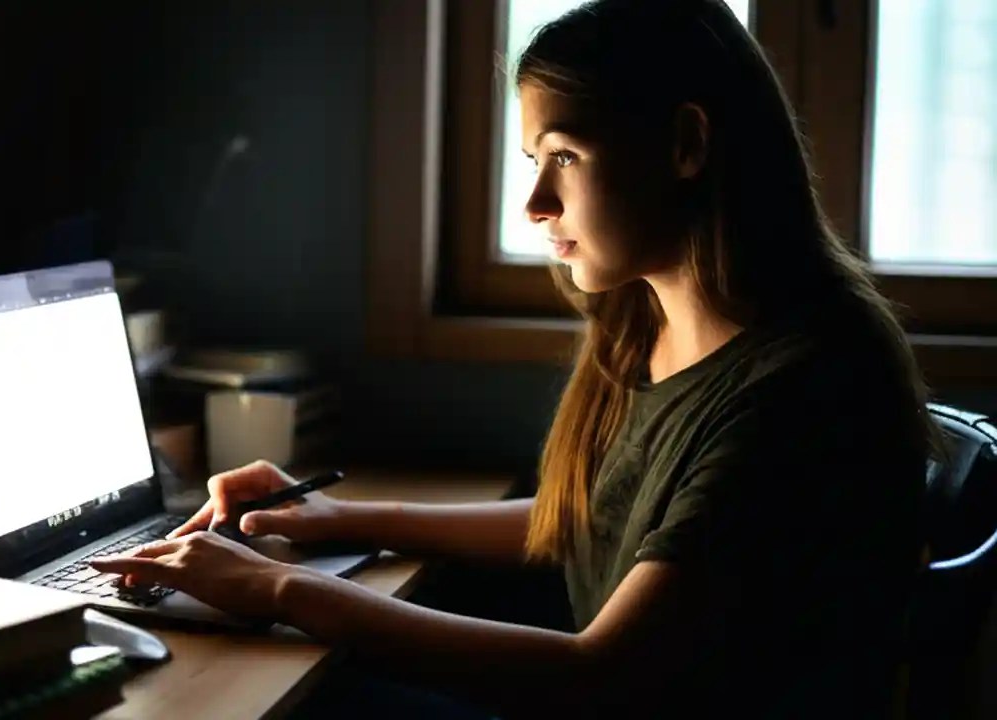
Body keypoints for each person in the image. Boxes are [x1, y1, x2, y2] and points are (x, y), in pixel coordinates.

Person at [92, 0, 936, 716]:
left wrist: (280, 590)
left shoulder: (802, 386)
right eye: (535, 161)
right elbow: (587, 521)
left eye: (564, 157)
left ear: (685, 145)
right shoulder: (647, 323)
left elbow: (602, 674)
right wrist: (329, 522)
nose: (535, 203)